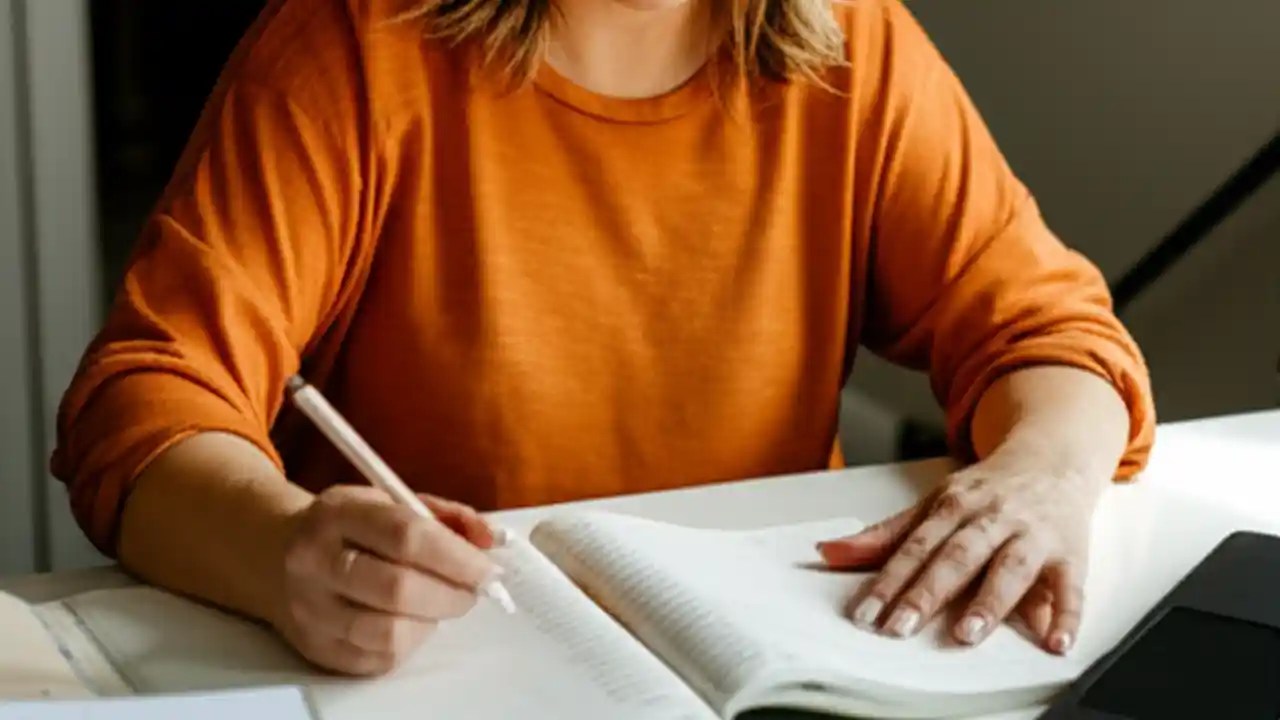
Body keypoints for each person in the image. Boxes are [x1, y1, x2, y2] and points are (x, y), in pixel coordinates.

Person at [53, 0, 1154, 677]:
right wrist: (281, 551)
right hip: (443, 668)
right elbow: (144, 405)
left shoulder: (853, 41)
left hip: (765, 657)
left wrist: (1043, 473)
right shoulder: (350, 45)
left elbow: (1049, 330)